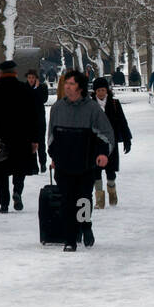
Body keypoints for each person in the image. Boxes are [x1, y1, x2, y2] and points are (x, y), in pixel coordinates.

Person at [47, 70, 115, 250]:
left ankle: (85, 225)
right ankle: (70, 240)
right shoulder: (57, 108)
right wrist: (53, 156)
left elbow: (106, 134)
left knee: (83, 200)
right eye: (66, 83)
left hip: (85, 163)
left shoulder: (92, 109)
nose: (67, 87)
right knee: (67, 201)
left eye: (71, 84)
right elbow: (52, 136)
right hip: (63, 164)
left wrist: (102, 154)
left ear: (80, 88)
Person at [0, 60, 39, 213]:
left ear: (0, 73)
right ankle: (17, 192)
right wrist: (35, 139)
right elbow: (34, 116)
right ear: (15, 72)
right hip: (22, 136)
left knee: (1, 171)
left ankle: (4, 202)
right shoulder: (25, 89)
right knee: (19, 168)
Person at [91, 76, 132, 207]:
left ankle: (112, 190)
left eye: (103, 90)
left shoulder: (114, 103)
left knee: (110, 171)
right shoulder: (90, 105)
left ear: (107, 90)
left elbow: (122, 122)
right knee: (95, 171)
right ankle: (99, 199)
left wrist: (127, 139)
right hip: (94, 143)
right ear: (95, 92)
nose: (101, 93)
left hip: (111, 143)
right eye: (98, 91)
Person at [26, 69, 49, 172]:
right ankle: (33, 165)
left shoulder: (43, 87)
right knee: (30, 142)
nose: (31, 80)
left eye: (33, 78)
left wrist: (37, 89)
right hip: (29, 120)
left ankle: (43, 163)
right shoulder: (24, 87)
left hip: (39, 119)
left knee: (41, 142)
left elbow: (43, 99)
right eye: (29, 78)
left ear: (36, 78)